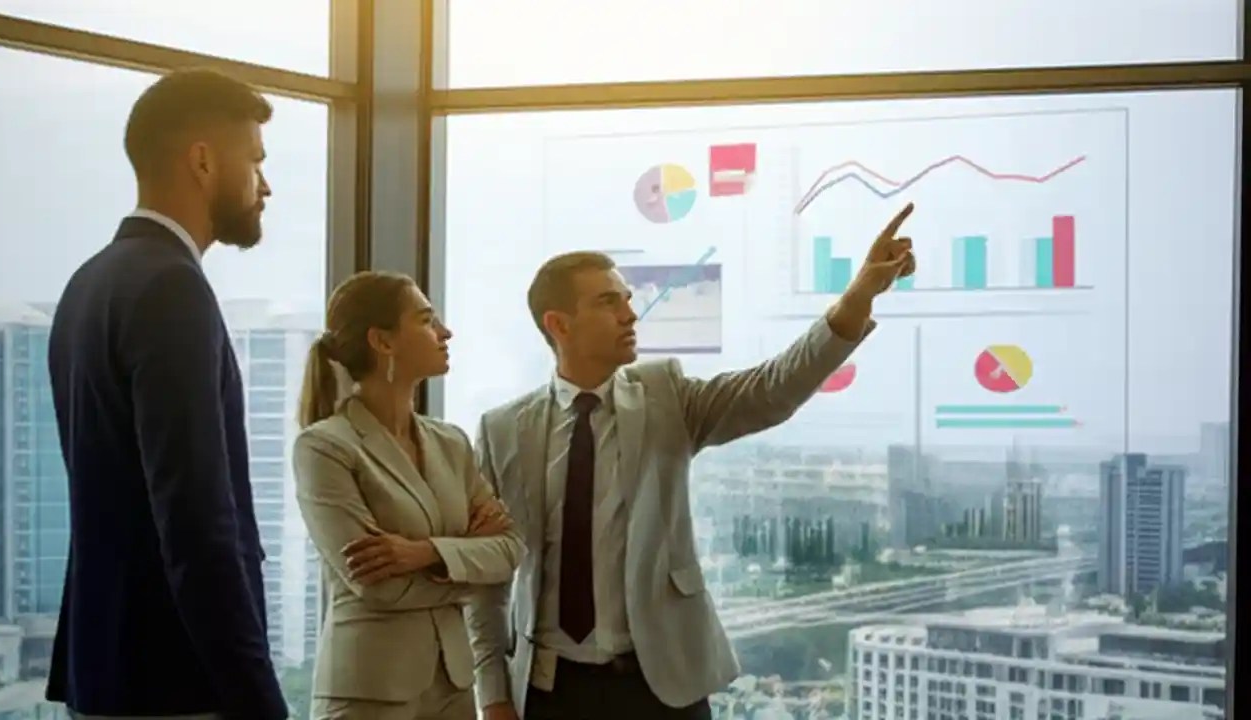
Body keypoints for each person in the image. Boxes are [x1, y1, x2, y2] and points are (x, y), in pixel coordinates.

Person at [468, 204, 918, 720]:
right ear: (559, 324)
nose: (629, 314)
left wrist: (859, 293)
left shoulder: (666, 396)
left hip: (661, 689)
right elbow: (488, 580)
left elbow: (773, 388)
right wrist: (494, 695)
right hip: (549, 693)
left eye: (628, 300)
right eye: (608, 302)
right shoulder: (502, 430)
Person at [46, 69, 285, 719]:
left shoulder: (88, 283)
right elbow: (196, 522)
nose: (265, 185)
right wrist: (259, 698)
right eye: (255, 161)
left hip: (103, 670)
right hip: (175, 680)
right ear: (203, 160)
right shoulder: (171, 289)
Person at [294, 271, 525, 720]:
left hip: (453, 687)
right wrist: (467, 562)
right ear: (383, 341)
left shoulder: (450, 442)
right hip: (369, 691)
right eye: (426, 319)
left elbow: (510, 549)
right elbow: (377, 585)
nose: (445, 332)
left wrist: (423, 553)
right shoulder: (325, 447)